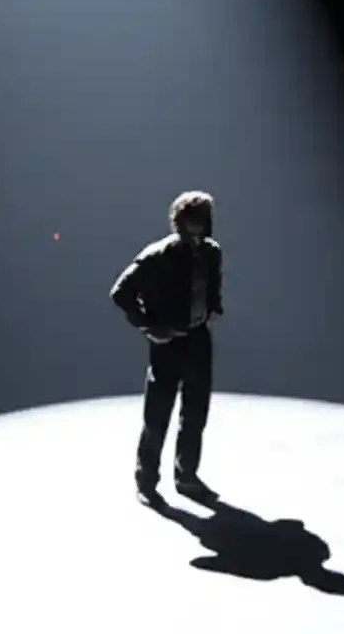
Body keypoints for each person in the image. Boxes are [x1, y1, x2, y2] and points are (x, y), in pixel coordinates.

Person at [110, 191, 223, 507]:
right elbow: (121, 292)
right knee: (158, 414)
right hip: (169, 342)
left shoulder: (211, 252)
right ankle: (146, 481)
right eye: (191, 220)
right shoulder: (158, 255)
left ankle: (186, 475)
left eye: (201, 220)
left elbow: (213, 286)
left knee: (195, 412)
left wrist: (215, 309)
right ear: (180, 221)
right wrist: (149, 327)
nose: (196, 227)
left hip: (199, 340)